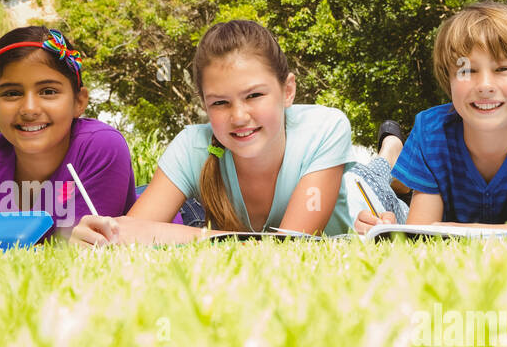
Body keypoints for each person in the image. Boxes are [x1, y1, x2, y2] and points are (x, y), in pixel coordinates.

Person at [73, 19, 358, 246]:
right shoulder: (192, 146)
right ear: (205, 105)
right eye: (220, 102)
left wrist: (206, 239)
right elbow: (128, 233)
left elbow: (290, 247)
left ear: (288, 90)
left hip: (362, 193)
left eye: (254, 95)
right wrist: (99, 235)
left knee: (376, 180)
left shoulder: (325, 128)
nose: (239, 116)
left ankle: (388, 147)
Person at [354, 0, 507, 233]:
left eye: (502, 69)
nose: (485, 85)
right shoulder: (431, 132)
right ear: (449, 80)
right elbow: (423, 231)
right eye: (467, 70)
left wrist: (452, 228)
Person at [0, 26, 136, 228]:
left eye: (49, 91)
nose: (29, 109)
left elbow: (85, 247)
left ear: (79, 102)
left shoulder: (100, 147)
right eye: (12, 93)